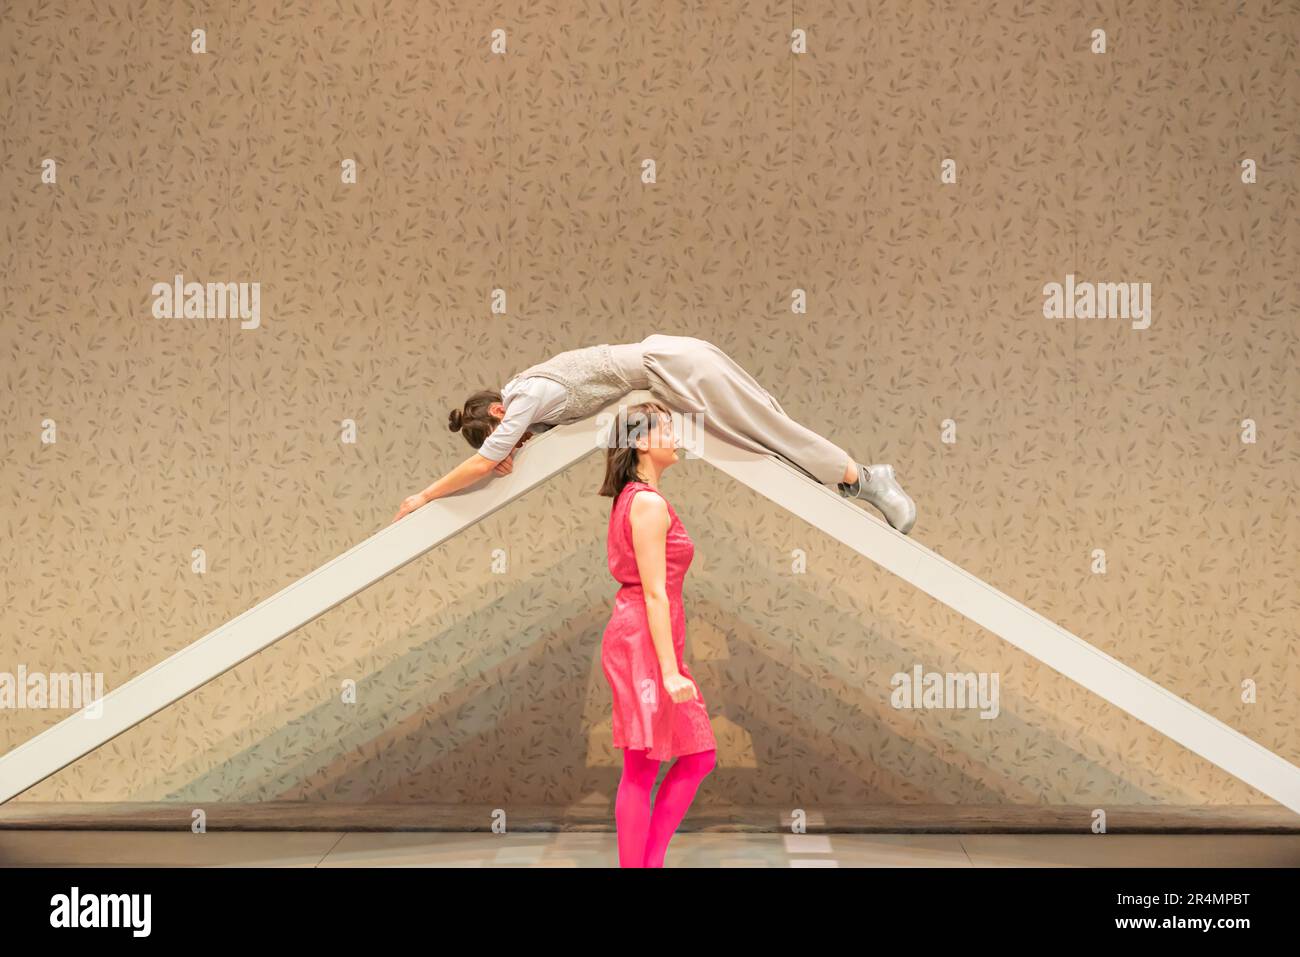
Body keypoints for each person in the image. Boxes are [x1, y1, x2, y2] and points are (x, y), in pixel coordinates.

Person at [391, 334, 916, 534]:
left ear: (502, 414)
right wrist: (499, 457)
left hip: (673, 368)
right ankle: (859, 479)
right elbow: (490, 460)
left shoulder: (526, 396)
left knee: (766, 431)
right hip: (668, 375)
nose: (519, 446)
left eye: (507, 438)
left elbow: (484, 462)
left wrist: (424, 495)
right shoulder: (532, 398)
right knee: (755, 442)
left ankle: (867, 478)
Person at [598, 401, 716, 867]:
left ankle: (648, 863)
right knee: (642, 768)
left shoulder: (637, 496)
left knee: (695, 757)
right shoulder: (645, 501)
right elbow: (653, 593)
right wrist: (668, 671)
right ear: (642, 442)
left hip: (648, 635)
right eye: (667, 428)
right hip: (643, 638)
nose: (678, 436)